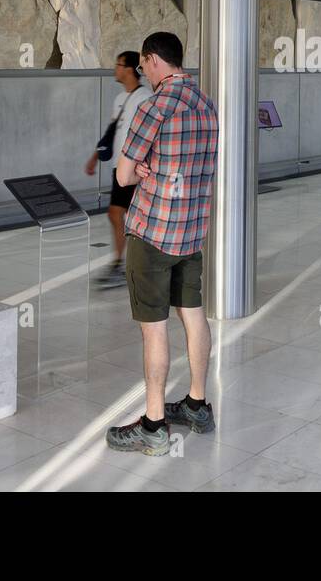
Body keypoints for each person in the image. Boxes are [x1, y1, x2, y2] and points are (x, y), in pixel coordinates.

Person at [104, 31, 219, 456]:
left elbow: (122, 176)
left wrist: (144, 170)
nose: (143, 74)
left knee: (153, 331)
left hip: (153, 234)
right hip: (191, 232)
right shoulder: (207, 104)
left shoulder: (155, 106)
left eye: (143, 66)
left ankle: (153, 425)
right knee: (194, 316)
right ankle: (197, 403)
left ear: (153, 61)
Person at [85, 50, 152, 282]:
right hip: (119, 166)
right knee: (117, 214)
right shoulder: (120, 98)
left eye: (119, 64)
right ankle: (121, 263)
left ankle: (129, 263)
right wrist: (95, 157)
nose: (116, 68)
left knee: (121, 214)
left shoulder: (144, 97)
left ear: (130, 69)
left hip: (134, 168)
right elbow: (112, 131)